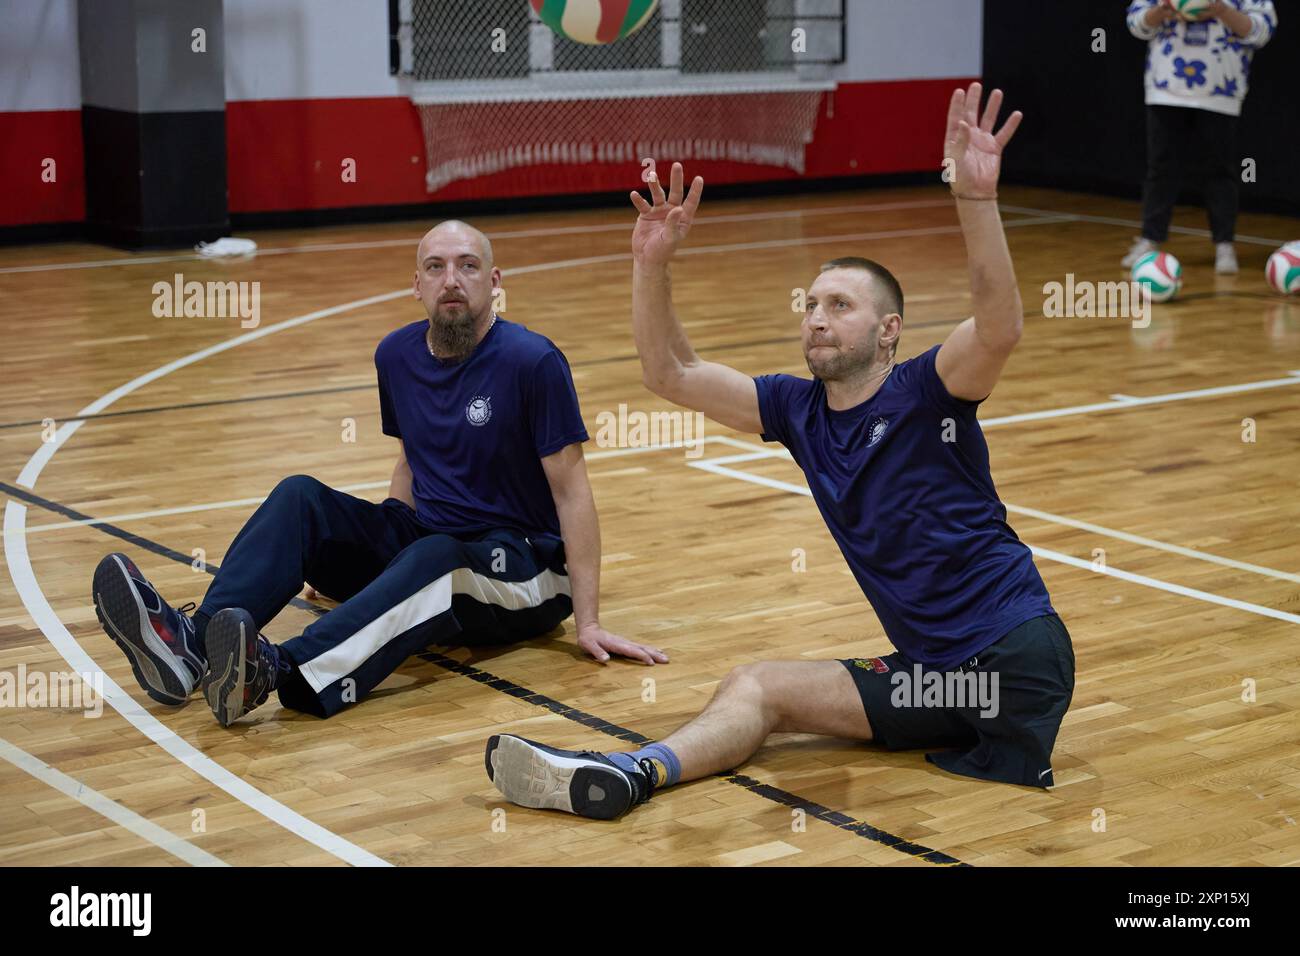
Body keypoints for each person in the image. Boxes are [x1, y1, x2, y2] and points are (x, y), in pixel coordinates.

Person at [485, 84, 1075, 821]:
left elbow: (1000, 327)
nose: (817, 319)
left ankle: (627, 770)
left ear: (889, 330)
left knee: (769, 690)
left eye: (839, 306)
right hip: (939, 673)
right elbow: (670, 374)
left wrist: (976, 200)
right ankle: (633, 773)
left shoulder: (930, 390)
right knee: (757, 685)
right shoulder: (798, 410)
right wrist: (651, 265)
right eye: (811, 305)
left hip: (1008, 665)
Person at [92, 220, 666, 727]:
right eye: (436, 267)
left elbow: (573, 491)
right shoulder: (395, 355)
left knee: (436, 556)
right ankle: (189, 647)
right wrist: (371, 564)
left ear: (495, 283)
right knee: (302, 498)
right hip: (432, 545)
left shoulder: (532, 361)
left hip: (524, 570)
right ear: (417, 286)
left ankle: (276, 671)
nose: (452, 280)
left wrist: (588, 620)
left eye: (469, 266)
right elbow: (411, 461)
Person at [1122, 0, 1278, 274]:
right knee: (1161, 168)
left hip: (1220, 88)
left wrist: (1222, 11)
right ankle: (1151, 239)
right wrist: (1162, 11)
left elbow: (1262, 30)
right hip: (1166, 85)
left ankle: (1224, 245)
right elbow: (1136, 22)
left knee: (1219, 169)